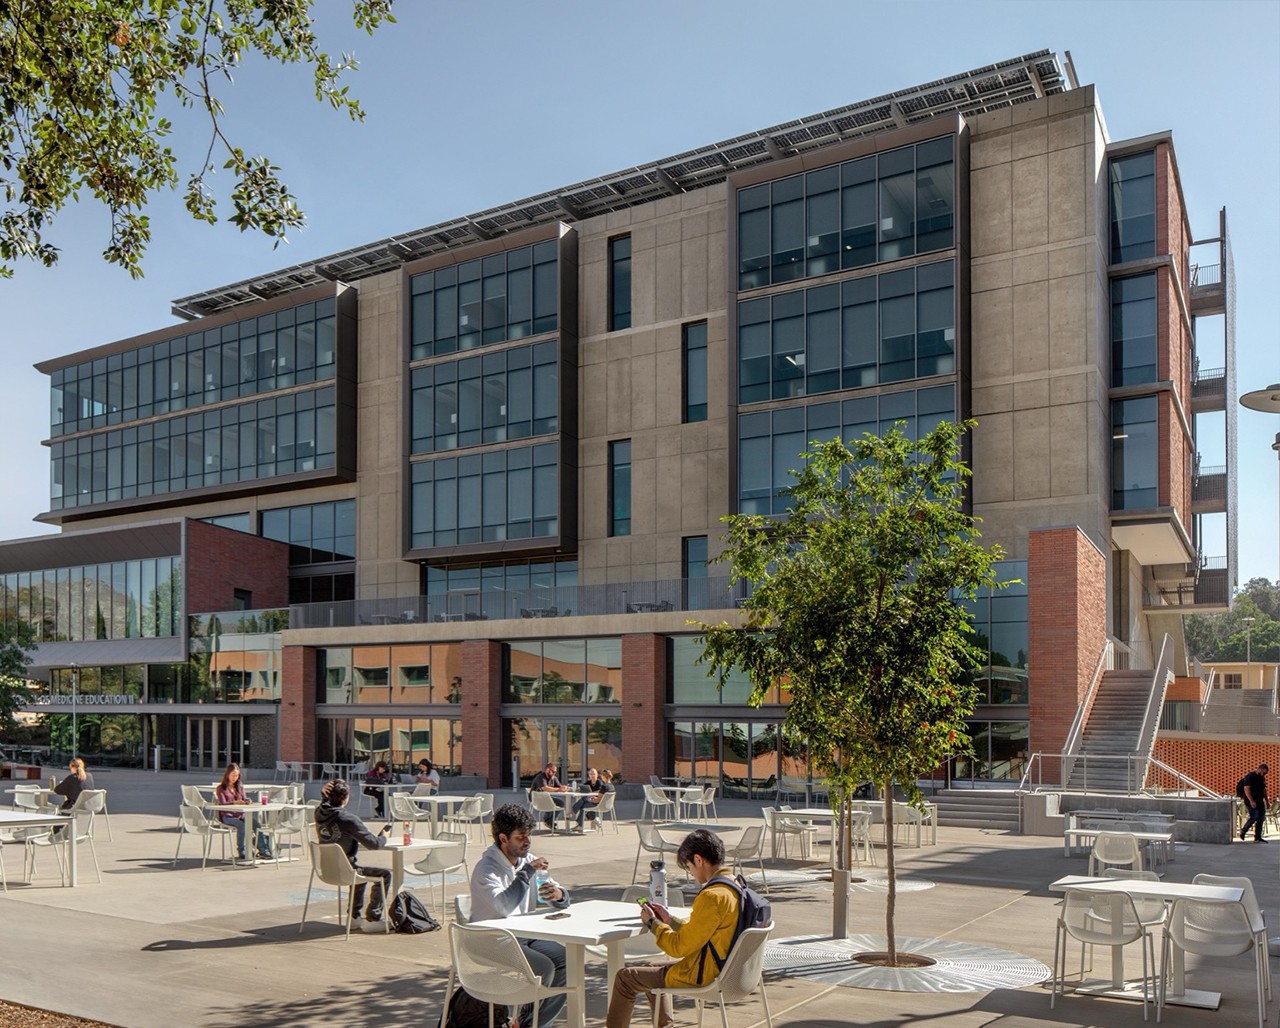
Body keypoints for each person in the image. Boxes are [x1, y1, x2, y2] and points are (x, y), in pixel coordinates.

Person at [606, 829, 741, 1028]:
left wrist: (653, 924)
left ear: (698, 860)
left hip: (708, 974)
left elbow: (678, 948)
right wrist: (671, 921)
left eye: (689, 867)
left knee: (625, 978)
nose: (692, 874)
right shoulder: (735, 886)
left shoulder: (712, 896)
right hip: (733, 972)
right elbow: (704, 931)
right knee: (651, 969)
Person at [470, 803, 569, 1027]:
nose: (527, 841)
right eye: (520, 837)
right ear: (503, 838)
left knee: (567, 960)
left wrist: (558, 894)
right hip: (491, 939)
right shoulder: (486, 870)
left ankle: (535, 1024)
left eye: (529, 835)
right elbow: (504, 906)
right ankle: (528, 1022)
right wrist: (527, 872)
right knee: (544, 967)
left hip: (524, 934)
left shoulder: (527, 860)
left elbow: (559, 899)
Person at [315, 778, 394, 931]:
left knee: (357, 871)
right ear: (346, 797)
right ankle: (373, 919)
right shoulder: (348, 819)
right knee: (384, 875)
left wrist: (324, 796)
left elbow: (324, 806)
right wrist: (385, 836)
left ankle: (354, 917)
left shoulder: (319, 814)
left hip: (326, 870)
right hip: (347, 871)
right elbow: (374, 844)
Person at [214, 762, 273, 860]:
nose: (234, 778)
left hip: (240, 815)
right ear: (227, 774)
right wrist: (235, 803)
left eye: (236, 775)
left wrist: (247, 800)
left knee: (256, 824)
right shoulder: (221, 788)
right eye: (232, 775)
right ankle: (242, 851)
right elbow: (222, 804)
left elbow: (245, 798)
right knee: (242, 826)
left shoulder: (240, 786)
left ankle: (263, 850)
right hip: (227, 816)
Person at [571, 767, 613, 832]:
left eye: (594, 774)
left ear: (603, 776)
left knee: (583, 805)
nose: (601, 777)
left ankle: (575, 816)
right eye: (591, 774)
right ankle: (592, 819)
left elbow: (598, 799)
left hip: (599, 804)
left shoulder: (603, 786)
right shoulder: (611, 786)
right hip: (607, 805)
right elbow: (601, 796)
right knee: (585, 802)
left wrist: (591, 799)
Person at [530, 761, 568, 830]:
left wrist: (564, 788)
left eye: (555, 772)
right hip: (537, 799)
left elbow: (560, 787)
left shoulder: (553, 778)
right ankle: (548, 821)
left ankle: (548, 821)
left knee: (561, 803)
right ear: (547, 770)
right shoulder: (541, 777)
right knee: (551, 802)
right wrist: (558, 789)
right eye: (553, 771)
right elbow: (545, 788)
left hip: (546, 798)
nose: (554, 773)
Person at [1240, 762, 1269, 843]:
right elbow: (1246, 789)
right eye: (1263, 772)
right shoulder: (1250, 776)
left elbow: (1264, 790)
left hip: (1260, 801)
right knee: (1254, 816)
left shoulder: (1262, 778)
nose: (1264, 774)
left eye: (1265, 773)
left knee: (1261, 818)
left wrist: (1267, 801)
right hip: (1250, 801)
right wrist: (1251, 801)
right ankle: (1243, 831)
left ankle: (1258, 837)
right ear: (1259, 768)